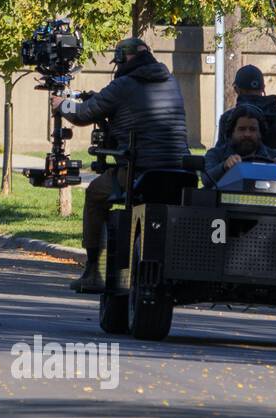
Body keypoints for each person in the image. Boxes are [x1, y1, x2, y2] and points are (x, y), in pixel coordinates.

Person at [51, 37, 188, 293]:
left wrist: (62, 105)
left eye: (119, 61)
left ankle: (95, 271)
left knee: (94, 194)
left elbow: (83, 114)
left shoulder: (125, 84)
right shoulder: (171, 81)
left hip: (140, 171)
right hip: (179, 171)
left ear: (125, 59)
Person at [202, 104, 276, 192]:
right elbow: (206, 180)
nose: (247, 134)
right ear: (231, 132)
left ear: (261, 133)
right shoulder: (215, 155)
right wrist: (224, 167)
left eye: (252, 129)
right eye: (242, 129)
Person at [212, 64, 276, 157]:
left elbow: (219, 156)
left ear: (236, 89)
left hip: (240, 170)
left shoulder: (228, 118)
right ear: (263, 88)